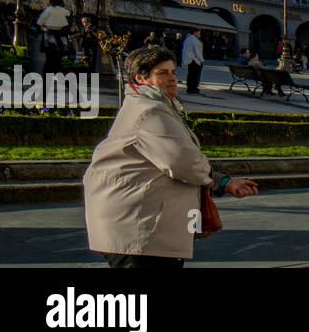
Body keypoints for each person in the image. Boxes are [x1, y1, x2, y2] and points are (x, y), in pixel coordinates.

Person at [83, 46, 259, 267]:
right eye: (162, 73)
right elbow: (182, 162)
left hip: (141, 229)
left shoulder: (151, 106)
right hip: (141, 232)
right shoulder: (150, 110)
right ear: (141, 78)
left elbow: (178, 160)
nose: (172, 78)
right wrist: (217, 181)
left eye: (173, 72)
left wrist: (222, 182)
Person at [182, 30, 204, 96]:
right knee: (195, 75)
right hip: (195, 60)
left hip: (189, 59)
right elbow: (197, 51)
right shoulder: (195, 40)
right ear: (195, 33)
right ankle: (193, 89)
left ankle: (190, 88)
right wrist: (201, 59)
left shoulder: (187, 39)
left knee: (190, 74)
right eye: (199, 33)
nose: (200, 35)